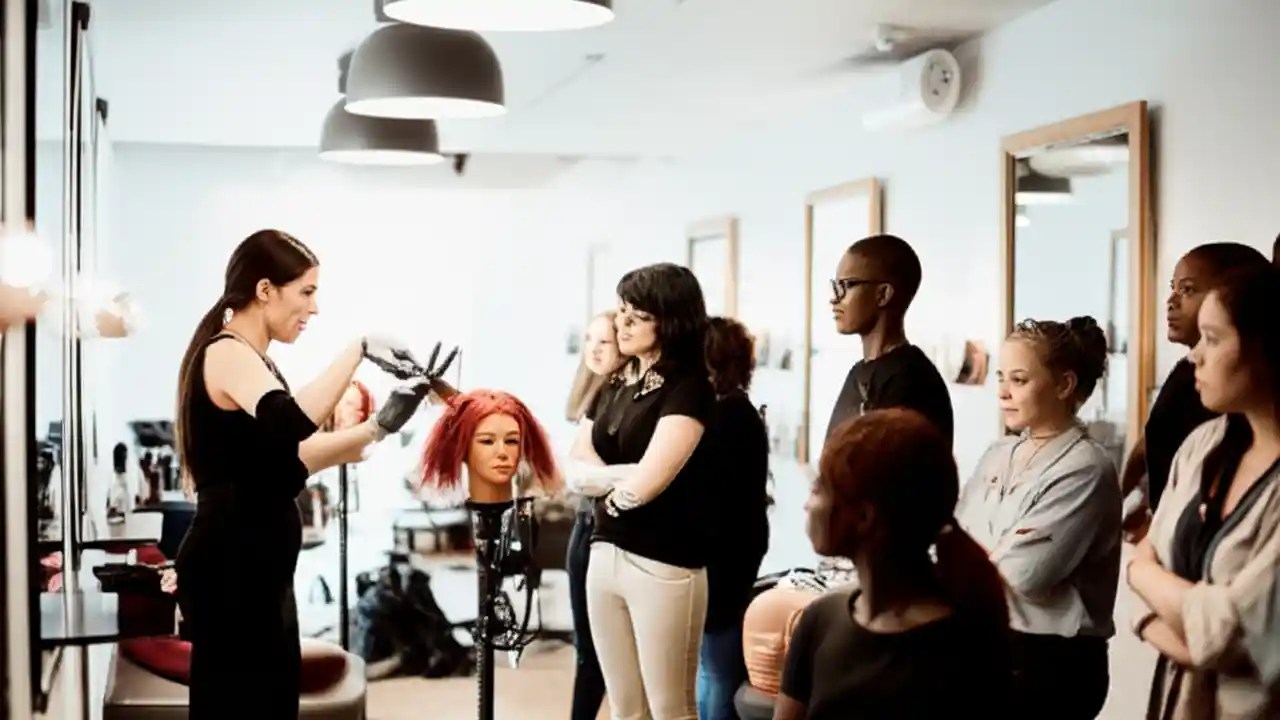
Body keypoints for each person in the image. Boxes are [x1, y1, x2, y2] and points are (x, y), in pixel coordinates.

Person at [173, 229, 452, 718]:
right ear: (265, 290)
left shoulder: (255, 361)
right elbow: (290, 420)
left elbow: (292, 455)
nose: (314, 308)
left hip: (256, 563)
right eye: (306, 291)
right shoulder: (226, 352)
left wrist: (378, 427)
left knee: (271, 703)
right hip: (231, 564)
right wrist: (358, 349)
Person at [774, 409, 1012, 719]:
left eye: (819, 488)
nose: (807, 504)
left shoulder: (961, 652)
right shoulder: (819, 621)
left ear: (863, 517)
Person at [1128, 266, 1280, 719]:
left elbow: (1231, 632)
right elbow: (1144, 557)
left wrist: (1141, 575)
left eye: (1213, 339)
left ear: (1266, 349)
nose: (1196, 355)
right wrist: (1187, 637)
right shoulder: (1203, 445)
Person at [955, 316, 1121, 719]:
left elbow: (1025, 575)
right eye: (1000, 379)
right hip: (991, 647)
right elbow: (953, 542)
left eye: (1019, 380)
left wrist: (976, 556)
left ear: (1064, 385)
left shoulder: (1086, 467)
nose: (1003, 393)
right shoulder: (1000, 453)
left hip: (1052, 665)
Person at [570, 262, 716, 720]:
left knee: (671, 708)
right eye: (620, 312)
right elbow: (575, 468)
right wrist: (621, 479)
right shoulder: (616, 381)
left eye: (637, 315)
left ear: (671, 322)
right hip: (604, 550)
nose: (621, 324)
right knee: (626, 709)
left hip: (663, 562)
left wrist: (614, 482)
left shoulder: (688, 389)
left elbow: (648, 486)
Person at [1119, 242, 1269, 539]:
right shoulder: (1185, 375)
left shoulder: (1230, 400)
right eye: (1173, 288)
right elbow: (1154, 439)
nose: (1171, 301)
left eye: (1187, 290)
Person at [698, 316, 770, 720]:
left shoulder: (730, 418)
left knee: (717, 672)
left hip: (725, 560)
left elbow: (720, 500)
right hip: (731, 552)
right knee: (711, 670)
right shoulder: (732, 413)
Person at [824, 234, 953, 447]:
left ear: (883, 294)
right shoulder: (860, 372)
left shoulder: (912, 382)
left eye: (846, 285)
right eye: (835, 286)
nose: (835, 298)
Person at [562, 310, 624, 720]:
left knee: (607, 652)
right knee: (587, 650)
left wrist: (593, 476)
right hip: (585, 528)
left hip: (615, 532)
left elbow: (585, 469)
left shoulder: (629, 397)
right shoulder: (598, 395)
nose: (594, 349)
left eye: (605, 341)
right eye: (590, 339)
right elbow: (575, 464)